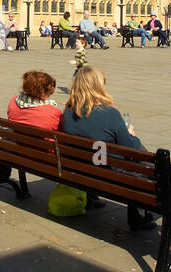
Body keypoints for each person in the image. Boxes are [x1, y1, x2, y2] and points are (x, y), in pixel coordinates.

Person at [60, 66, 155, 231]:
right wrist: (131, 134)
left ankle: (91, 198)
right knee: (147, 166)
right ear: (98, 86)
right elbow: (131, 149)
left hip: (81, 169)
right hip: (111, 174)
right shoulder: (110, 113)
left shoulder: (68, 111)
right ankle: (138, 218)